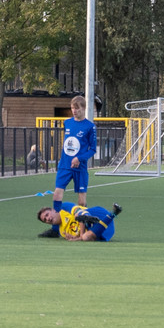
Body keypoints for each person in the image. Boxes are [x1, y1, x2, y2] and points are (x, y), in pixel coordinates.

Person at [40, 95, 97, 238]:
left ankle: (82, 229)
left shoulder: (90, 126)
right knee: (57, 193)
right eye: (72, 108)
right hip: (65, 165)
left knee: (81, 200)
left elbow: (92, 149)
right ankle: (55, 228)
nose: (74, 111)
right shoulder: (67, 123)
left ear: (83, 108)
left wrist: (80, 158)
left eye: (77, 109)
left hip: (80, 167)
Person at [36, 202, 122, 241]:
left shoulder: (63, 208)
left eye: (47, 215)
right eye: (45, 220)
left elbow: (78, 212)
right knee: (85, 237)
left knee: (78, 214)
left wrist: (80, 236)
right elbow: (76, 235)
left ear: (53, 210)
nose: (48, 219)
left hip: (98, 214)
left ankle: (88, 217)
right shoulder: (61, 231)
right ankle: (113, 214)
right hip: (101, 230)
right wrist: (75, 237)